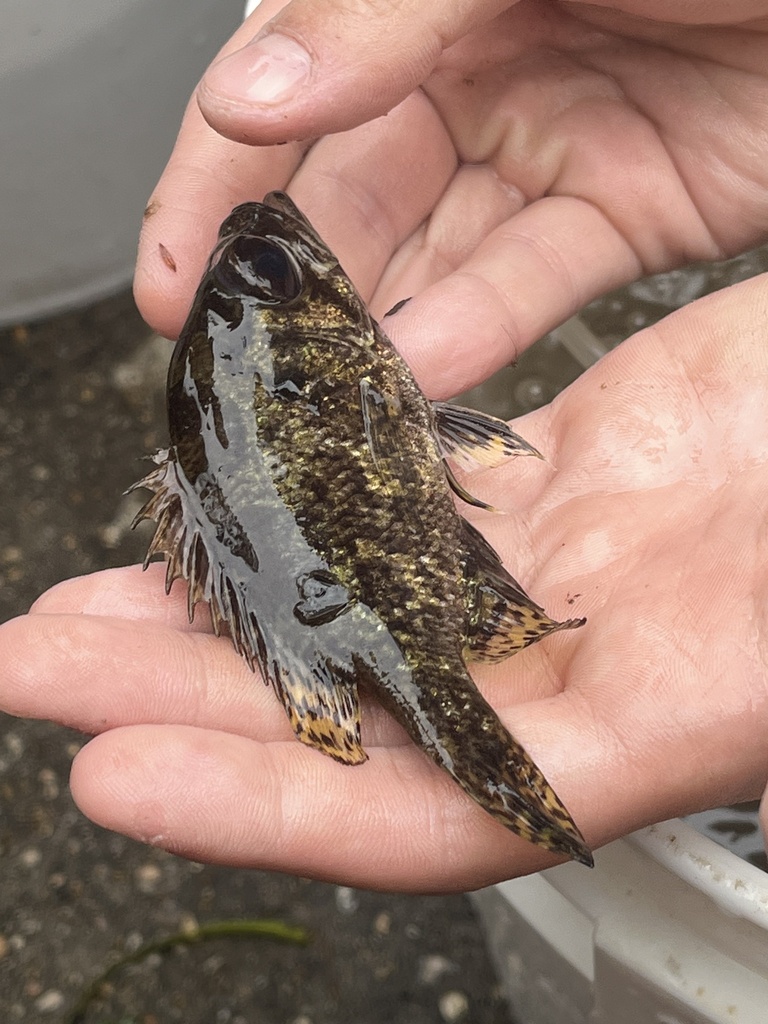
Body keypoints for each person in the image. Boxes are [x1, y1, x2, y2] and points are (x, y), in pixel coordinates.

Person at [2, 0, 768, 892]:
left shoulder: (321, 383)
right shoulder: (351, 373)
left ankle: (440, 735)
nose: (264, 241)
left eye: (265, 272)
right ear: (306, 366)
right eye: (272, 277)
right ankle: (482, 742)